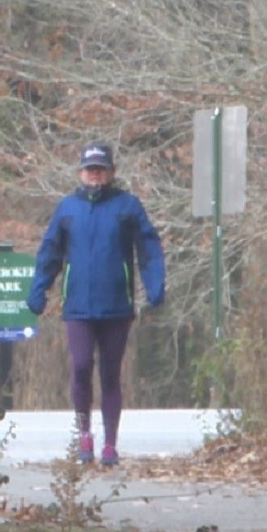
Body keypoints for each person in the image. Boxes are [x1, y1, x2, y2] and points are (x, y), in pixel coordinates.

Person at [26, 142, 164, 467]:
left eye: (100, 169)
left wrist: (155, 285)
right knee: (81, 366)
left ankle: (110, 443)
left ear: (110, 172)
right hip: (77, 305)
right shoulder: (67, 209)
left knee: (110, 373)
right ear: (80, 173)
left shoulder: (127, 206)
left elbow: (149, 248)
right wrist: (39, 289)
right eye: (90, 170)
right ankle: (84, 431)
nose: (95, 175)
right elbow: (50, 252)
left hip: (116, 304)